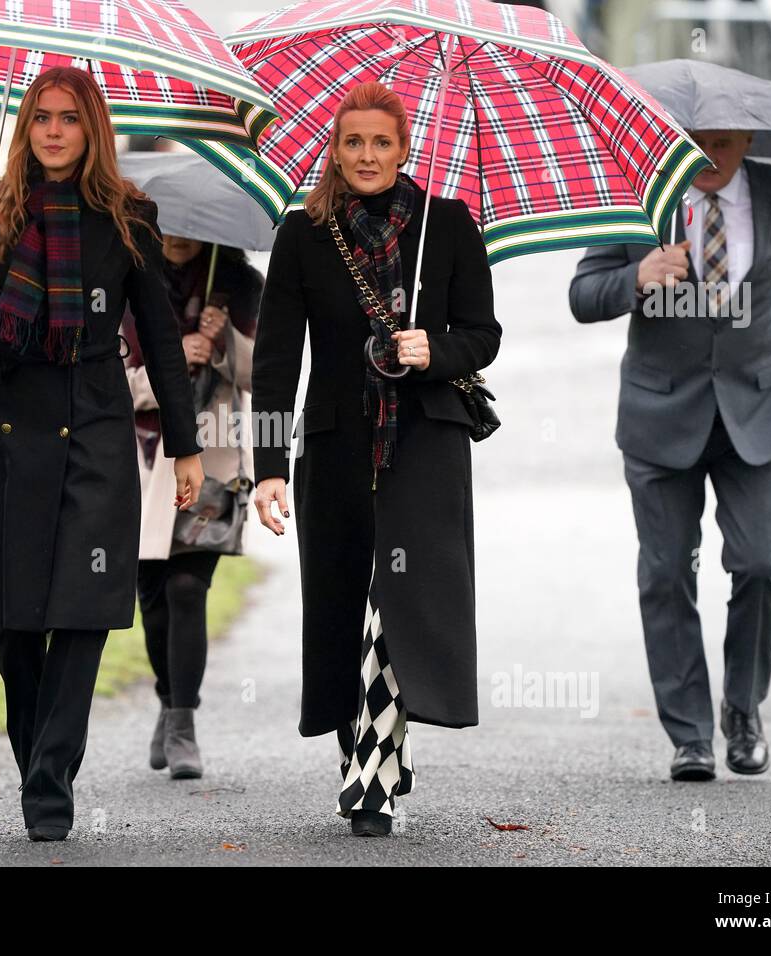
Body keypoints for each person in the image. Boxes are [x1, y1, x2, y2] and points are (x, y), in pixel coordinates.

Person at [0, 66, 204, 841]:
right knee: (14, 624)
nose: (53, 131)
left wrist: (186, 447)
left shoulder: (129, 216)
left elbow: (159, 338)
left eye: (69, 119)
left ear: (92, 130)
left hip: (95, 424)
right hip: (15, 424)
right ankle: (40, 761)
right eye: (42, 118)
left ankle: (48, 782)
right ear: (26, 126)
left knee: (81, 609)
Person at [251, 81, 501, 836]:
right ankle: (363, 752)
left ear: (404, 148)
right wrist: (266, 464)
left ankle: (371, 779)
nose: (366, 155)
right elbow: (273, 360)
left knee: (398, 609)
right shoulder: (303, 234)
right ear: (335, 146)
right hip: (334, 449)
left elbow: (483, 335)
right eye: (353, 141)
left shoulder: (448, 226)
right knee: (341, 606)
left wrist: (435, 348)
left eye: (381, 143)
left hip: (423, 446)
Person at [568, 129, 771, 781]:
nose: (707, 154)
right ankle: (690, 734)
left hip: (759, 409)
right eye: (694, 141)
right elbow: (583, 296)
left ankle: (743, 709)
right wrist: (634, 277)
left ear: (747, 136)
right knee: (667, 573)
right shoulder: (635, 191)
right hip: (659, 414)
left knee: (758, 564)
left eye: (722, 143)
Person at [122, 236, 262, 778]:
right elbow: (108, 383)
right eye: (166, 222)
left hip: (212, 457)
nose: (176, 235)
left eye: (189, 225)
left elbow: (263, 372)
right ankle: (166, 698)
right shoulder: (126, 279)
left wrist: (222, 340)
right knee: (152, 595)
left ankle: (183, 722)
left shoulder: (239, 284)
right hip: (138, 462)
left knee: (187, 588)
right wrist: (173, 361)